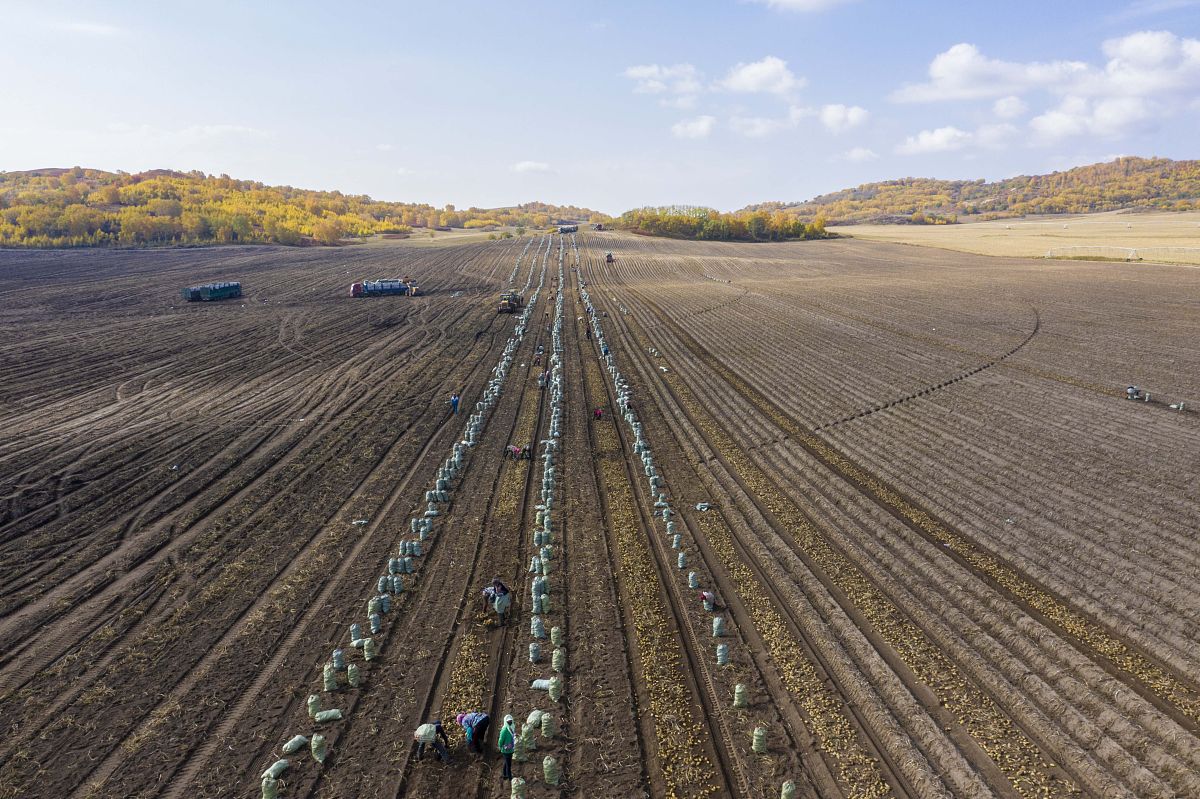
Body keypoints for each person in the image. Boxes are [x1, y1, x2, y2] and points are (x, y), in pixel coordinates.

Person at [497, 714, 516, 779]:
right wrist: (500, 746)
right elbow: (501, 740)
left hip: (511, 748)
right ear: (505, 721)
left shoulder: (512, 727)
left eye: (510, 721)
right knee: (509, 764)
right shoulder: (504, 730)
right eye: (508, 721)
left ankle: (505, 774)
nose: (510, 722)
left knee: (506, 762)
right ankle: (510, 777)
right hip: (506, 749)